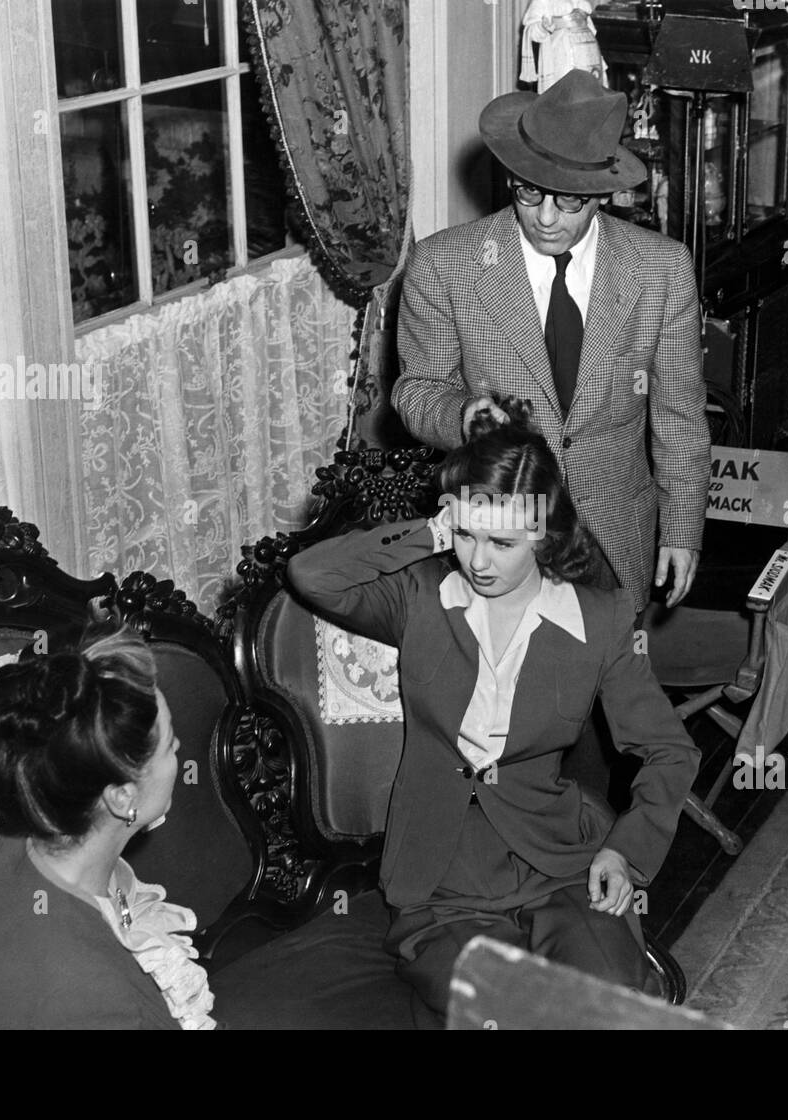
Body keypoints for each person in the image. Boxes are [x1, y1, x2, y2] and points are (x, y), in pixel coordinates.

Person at [286, 399, 700, 1021]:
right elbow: (310, 573)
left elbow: (669, 749)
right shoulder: (418, 595)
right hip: (439, 879)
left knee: (609, 1001)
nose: (479, 562)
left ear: (544, 532)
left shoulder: (600, 620)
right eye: (468, 538)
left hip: (560, 865)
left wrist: (625, 852)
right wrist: (432, 531)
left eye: (502, 542)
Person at [393, 67, 711, 617]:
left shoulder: (663, 269)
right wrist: (462, 414)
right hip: (496, 542)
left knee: (606, 694)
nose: (545, 218)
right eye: (529, 192)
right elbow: (416, 390)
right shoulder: (444, 265)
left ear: (605, 192)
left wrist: (682, 528)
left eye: (569, 202)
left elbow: (679, 417)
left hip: (615, 541)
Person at [0, 618, 216, 1030]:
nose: (180, 751)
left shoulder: (26, 838)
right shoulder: (102, 1002)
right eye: (170, 745)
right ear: (121, 797)